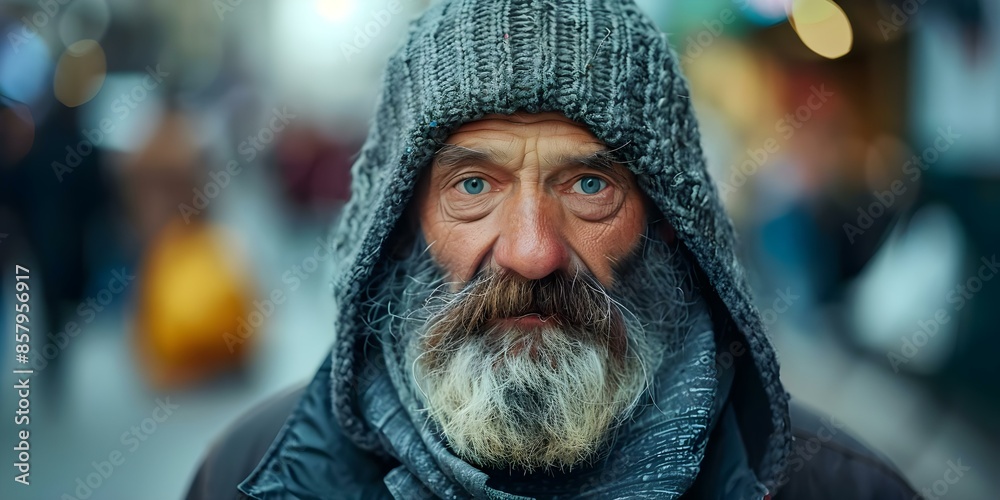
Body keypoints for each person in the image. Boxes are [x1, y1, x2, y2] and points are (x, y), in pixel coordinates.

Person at [186, 0, 917, 498]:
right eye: (473, 185)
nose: (533, 252)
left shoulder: (838, 487)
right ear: (400, 226)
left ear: (665, 222)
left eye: (589, 184)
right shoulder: (251, 475)